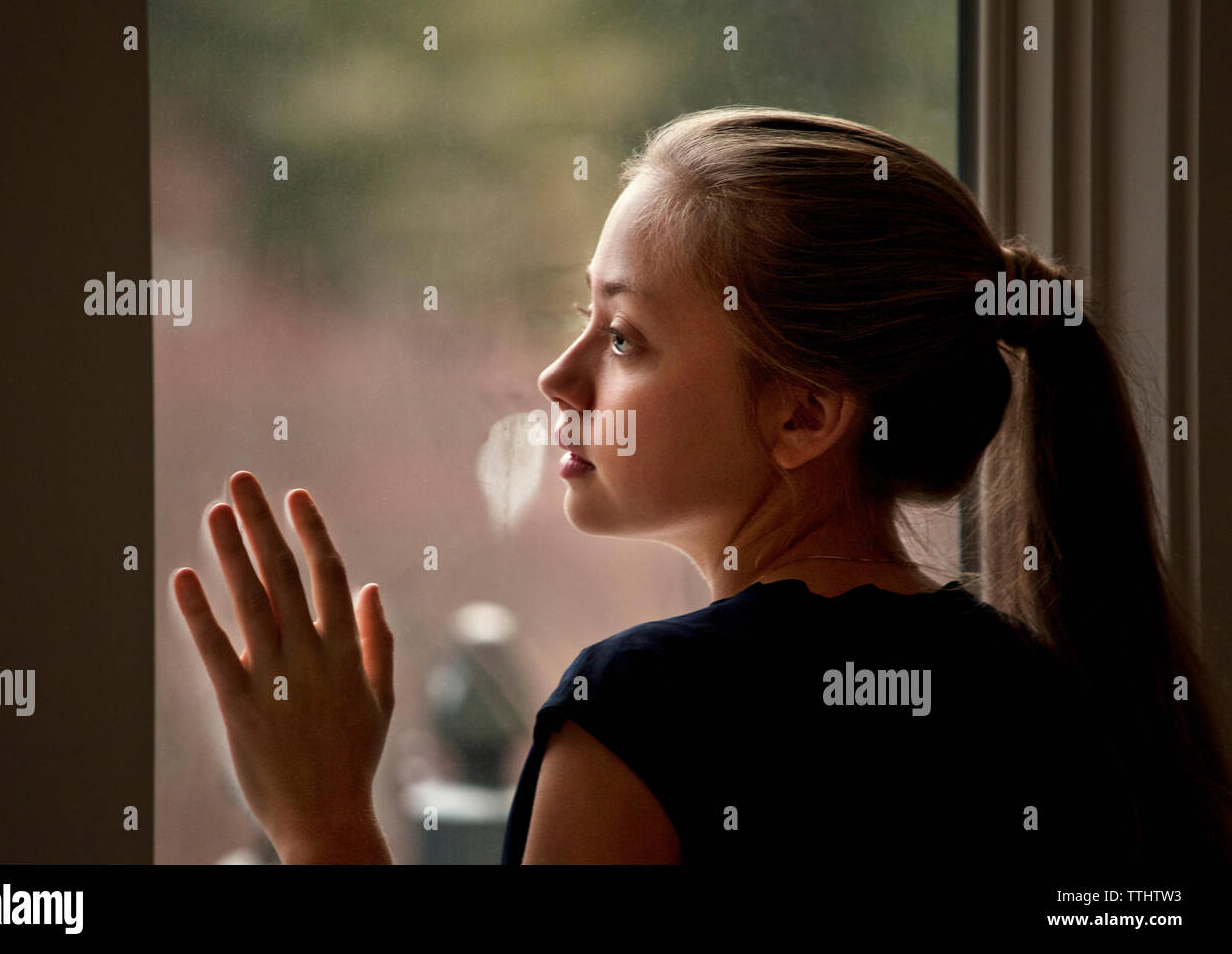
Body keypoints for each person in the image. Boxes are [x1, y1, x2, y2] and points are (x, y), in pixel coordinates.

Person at [172, 107, 1232, 869]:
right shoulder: (1057, 698)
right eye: (583, 315)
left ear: (805, 414)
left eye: (624, 335)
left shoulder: (644, 718)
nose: (559, 375)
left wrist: (320, 824)